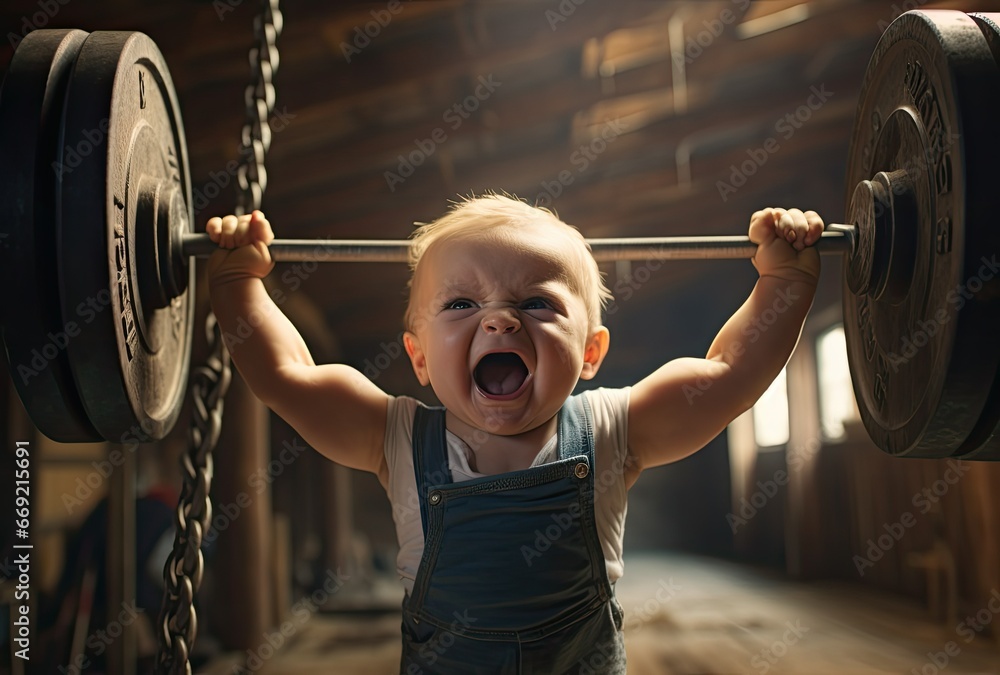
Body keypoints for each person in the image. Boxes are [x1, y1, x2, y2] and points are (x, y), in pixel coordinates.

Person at [205, 194, 824, 673]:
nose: (500, 319)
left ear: (590, 352)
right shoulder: (394, 438)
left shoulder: (612, 431)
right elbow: (288, 376)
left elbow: (728, 375)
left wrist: (786, 282)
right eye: (460, 305)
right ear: (420, 359)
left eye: (536, 304)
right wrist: (238, 287)